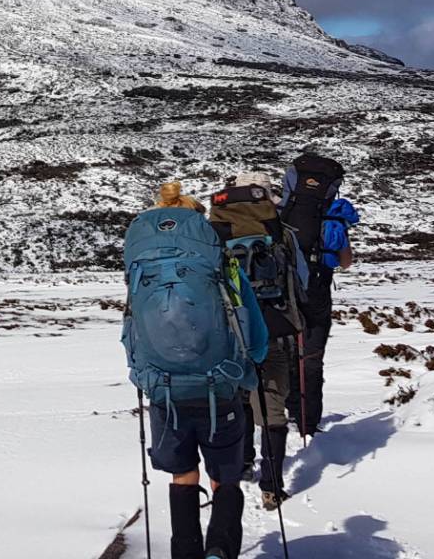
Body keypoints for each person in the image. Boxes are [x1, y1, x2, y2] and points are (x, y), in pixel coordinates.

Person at [122, 202, 265, 559]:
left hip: (164, 390)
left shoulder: (144, 271)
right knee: (225, 478)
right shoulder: (224, 268)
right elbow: (256, 339)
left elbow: (131, 331)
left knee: (183, 475)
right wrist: (247, 369)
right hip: (220, 387)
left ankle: (186, 553)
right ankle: (220, 550)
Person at [208, 173, 311, 511]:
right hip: (274, 322)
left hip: (231, 326)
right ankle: (271, 485)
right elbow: (301, 278)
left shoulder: (214, 234)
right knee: (271, 402)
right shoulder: (280, 233)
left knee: (237, 394)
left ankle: (241, 463)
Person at [279, 154, 359, 436]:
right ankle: (308, 422)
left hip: (283, 291)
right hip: (318, 290)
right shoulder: (332, 215)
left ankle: (286, 411)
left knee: (285, 351)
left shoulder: (282, 212)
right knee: (311, 355)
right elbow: (345, 261)